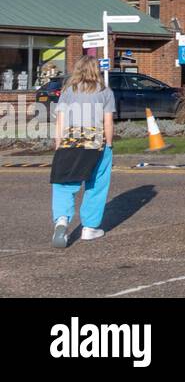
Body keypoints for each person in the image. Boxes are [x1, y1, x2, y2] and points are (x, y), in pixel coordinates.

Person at [50, 55, 115, 247]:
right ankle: (90, 227)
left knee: (63, 184)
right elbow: (108, 122)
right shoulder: (105, 92)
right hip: (95, 142)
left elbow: (60, 120)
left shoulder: (68, 91)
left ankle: (62, 219)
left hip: (69, 141)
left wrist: (59, 142)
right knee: (96, 184)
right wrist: (109, 144)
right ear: (97, 70)